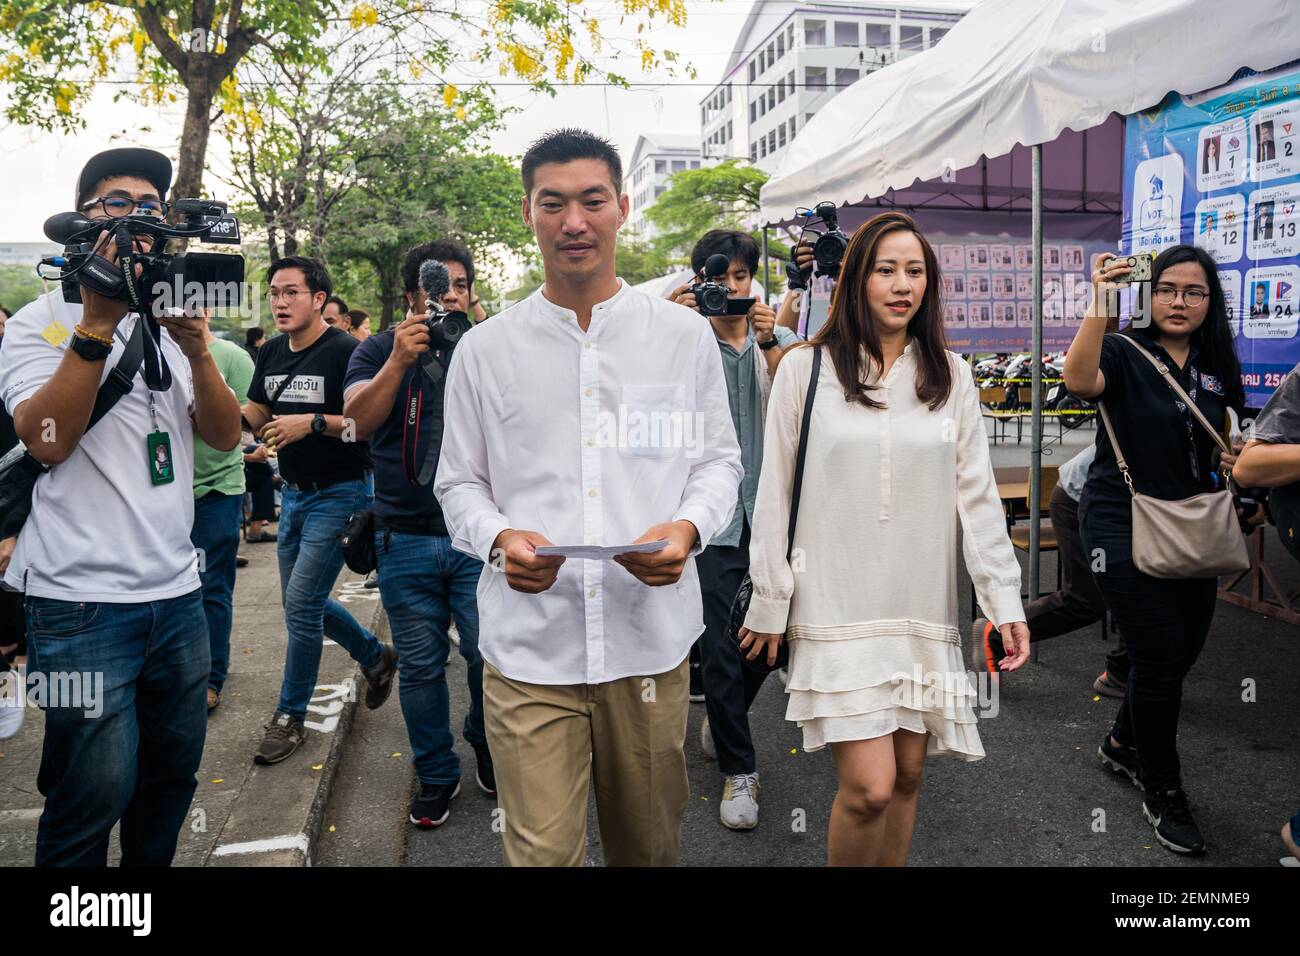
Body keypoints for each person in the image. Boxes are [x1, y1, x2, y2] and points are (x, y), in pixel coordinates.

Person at [434, 128, 742, 866]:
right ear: (528, 214)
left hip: (647, 645)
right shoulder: (485, 349)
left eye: (592, 201)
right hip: (531, 649)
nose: (575, 221)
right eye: (554, 203)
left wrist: (688, 529)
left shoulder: (682, 338)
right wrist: (500, 539)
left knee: (648, 849)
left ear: (621, 207)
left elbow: (719, 463)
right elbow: (458, 484)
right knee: (541, 857)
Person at [738, 211, 1030, 867]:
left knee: (907, 776)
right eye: (885, 269)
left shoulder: (950, 376)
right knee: (869, 787)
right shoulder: (805, 369)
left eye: (916, 271)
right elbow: (773, 492)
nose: (902, 285)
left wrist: (1002, 602)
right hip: (835, 604)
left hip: (919, 606)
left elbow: (978, 498)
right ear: (856, 279)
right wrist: (770, 597)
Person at [0, 147, 243, 865]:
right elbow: (46, 441)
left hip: (177, 600)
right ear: (80, 220)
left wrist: (199, 352)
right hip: (77, 606)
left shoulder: (170, 322)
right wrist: (97, 323)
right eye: (116, 201)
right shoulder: (36, 325)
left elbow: (224, 438)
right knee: (90, 794)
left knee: (169, 780)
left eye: (150, 205)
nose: (136, 214)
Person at [1063, 244, 1247, 856]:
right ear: (1150, 294)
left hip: (1193, 523)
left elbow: (1223, 432)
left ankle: (1122, 741)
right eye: (1168, 288)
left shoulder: (1217, 362)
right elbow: (1077, 379)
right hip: (1121, 521)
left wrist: (1230, 455)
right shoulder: (1122, 349)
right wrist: (1099, 302)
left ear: (1209, 303)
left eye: (1194, 292)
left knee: (1181, 650)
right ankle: (1163, 787)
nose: (1179, 301)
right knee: (1162, 652)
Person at [342, 239, 493, 829]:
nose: (449, 294)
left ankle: (484, 741)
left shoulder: (485, 348)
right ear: (412, 297)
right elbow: (356, 422)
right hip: (402, 535)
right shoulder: (380, 348)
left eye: (459, 284)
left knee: (488, 654)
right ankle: (435, 773)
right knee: (424, 666)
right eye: (437, 286)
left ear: (470, 291)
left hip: (476, 537)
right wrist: (400, 361)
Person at [242, 256, 397, 765]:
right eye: (273, 293)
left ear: (318, 298)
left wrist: (310, 424)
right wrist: (220, 414)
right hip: (295, 492)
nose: (280, 302)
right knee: (297, 603)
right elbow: (258, 411)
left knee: (302, 606)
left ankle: (290, 717)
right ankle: (375, 656)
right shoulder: (269, 354)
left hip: (343, 492)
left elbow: (365, 426)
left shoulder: (347, 351)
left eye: (291, 292)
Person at [666, 229, 797, 830]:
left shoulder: (784, 342)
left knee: (775, 642)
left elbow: (804, 415)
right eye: (721, 277)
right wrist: (663, 335)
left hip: (777, 517)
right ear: (700, 284)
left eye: (742, 276)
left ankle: (725, 717)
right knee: (721, 646)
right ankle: (739, 771)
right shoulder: (680, 343)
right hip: (712, 520)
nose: (733, 287)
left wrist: (770, 345)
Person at [972, 445, 1131, 698]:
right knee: (1087, 599)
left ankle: (1122, 672)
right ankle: (996, 634)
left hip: (1121, 509)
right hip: (1079, 501)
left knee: (1135, 588)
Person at [191, 310, 255, 713]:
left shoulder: (232, 357)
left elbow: (248, 424)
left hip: (217, 491)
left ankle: (212, 677)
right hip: (163, 495)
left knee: (212, 587)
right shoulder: (153, 352)